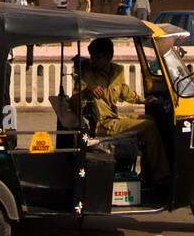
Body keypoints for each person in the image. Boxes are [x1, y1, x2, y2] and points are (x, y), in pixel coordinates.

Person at [71, 38, 169, 181]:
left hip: (115, 118)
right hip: (102, 124)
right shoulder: (87, 76)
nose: (92, 61)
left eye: (97, 57)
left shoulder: (117, 71)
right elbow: (73, 103)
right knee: (147, 126)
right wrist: (87, 91)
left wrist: (144, 100)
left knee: (151, 119)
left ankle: (149, 172)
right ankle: (161, 175)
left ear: (109, 56)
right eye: (92, 56)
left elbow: (125, 92)